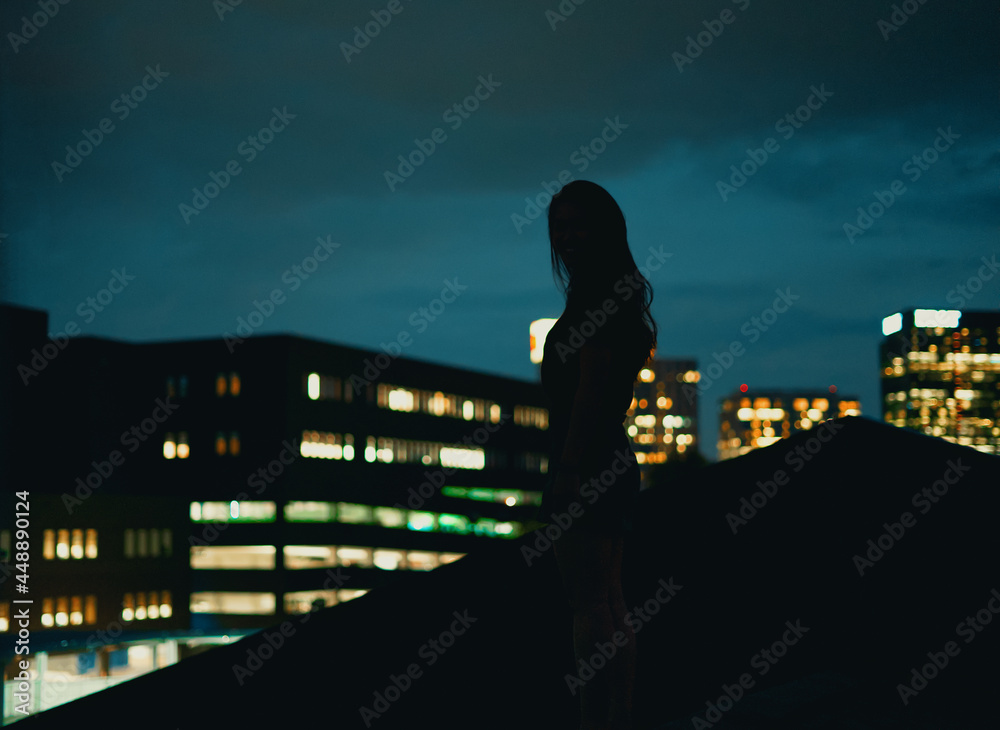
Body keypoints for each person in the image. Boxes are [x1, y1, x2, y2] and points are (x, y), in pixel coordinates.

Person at [539, 180, 657, 730]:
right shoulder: (616, 295)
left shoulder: (593, 299)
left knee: (587, 606)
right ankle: (618, 716)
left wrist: (568, 470)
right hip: (612, 459)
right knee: (609, 601)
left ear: (604, 230)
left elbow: (590, 388)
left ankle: (595, 720)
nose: (566, 237)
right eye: (559, 227)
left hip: (585, 464)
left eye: (578, 225)